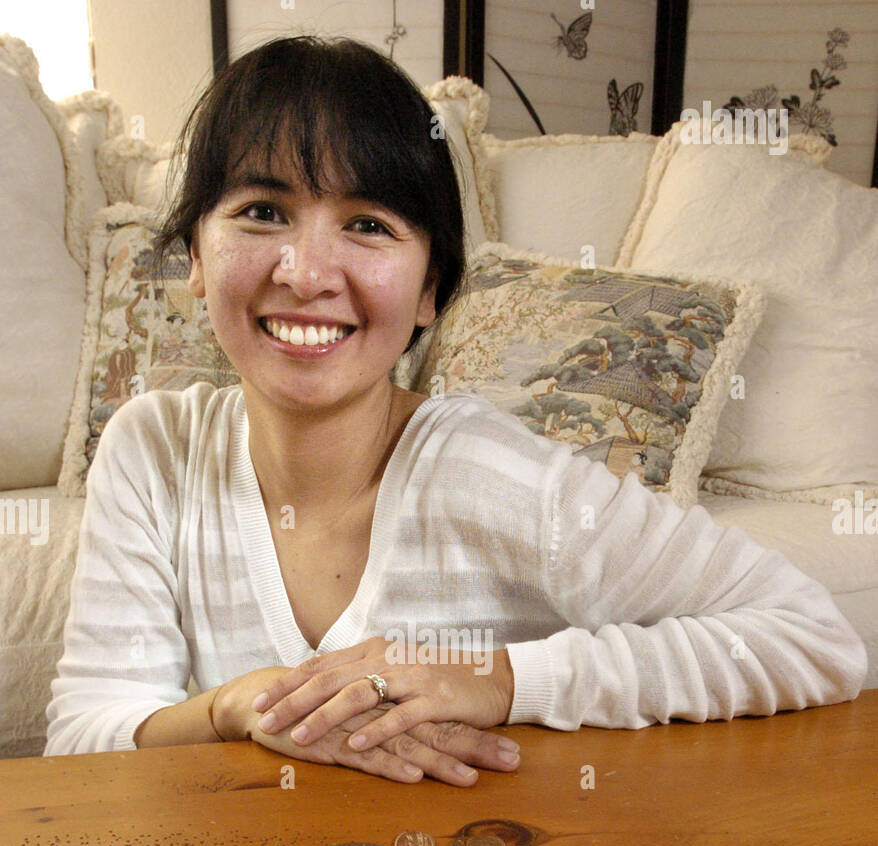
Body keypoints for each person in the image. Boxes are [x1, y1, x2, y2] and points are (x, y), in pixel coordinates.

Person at [44, 36, 867, 783]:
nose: (306, 272)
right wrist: (239, 708)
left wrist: (499, 678)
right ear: (195, 254)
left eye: (367, 224)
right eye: (263, 212)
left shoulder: (489, 471)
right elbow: (82, 737)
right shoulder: (150, 449)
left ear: (431, 288)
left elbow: (810, 638)